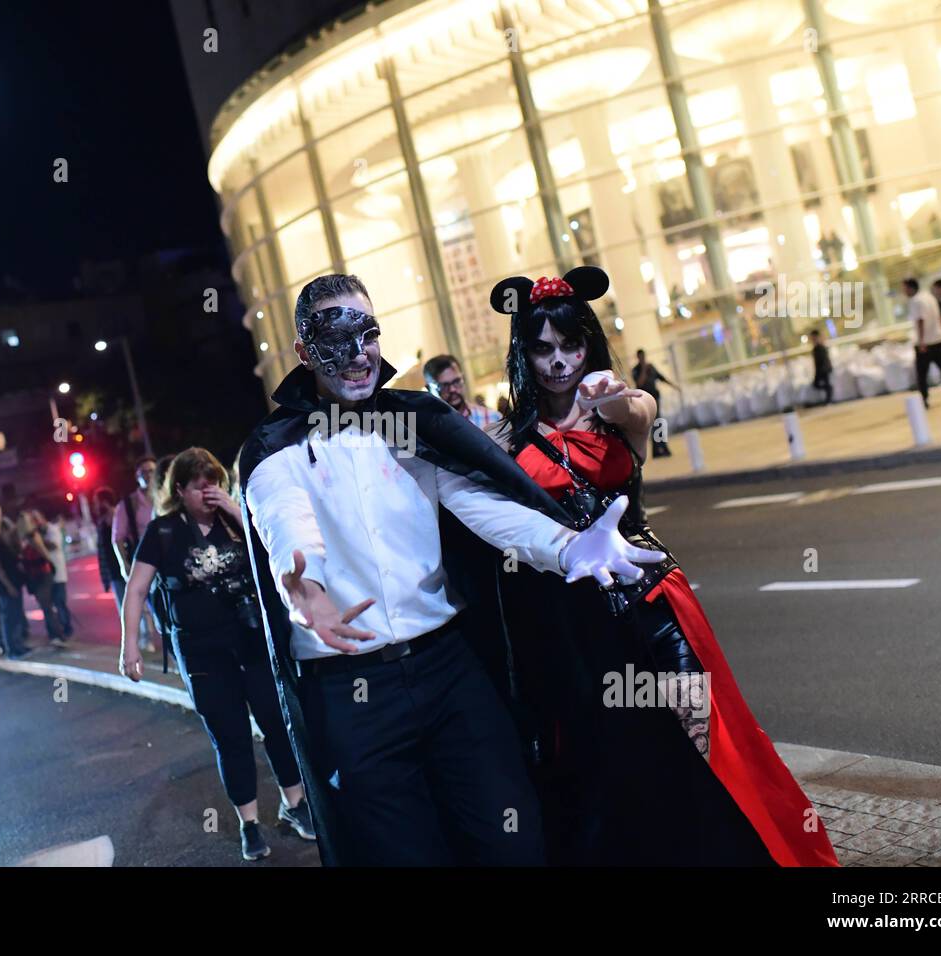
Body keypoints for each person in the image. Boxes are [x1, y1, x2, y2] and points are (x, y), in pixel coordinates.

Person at [239, 273, 667, 867]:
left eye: (368, 334)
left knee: (512, 839)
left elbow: (486, 506)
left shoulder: (417, 423)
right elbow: (284, 523)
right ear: (305, 352)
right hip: (351, 689)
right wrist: (301, 586)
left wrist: (569, 547)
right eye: (336, 340)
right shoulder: (274, 447)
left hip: (448, 670)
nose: (359, 356)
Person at [486, 265, 839, 867]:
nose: (558, 362)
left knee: (702, 735)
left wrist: (614, 397)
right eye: (541, 348)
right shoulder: (505, 440)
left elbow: (638, 413)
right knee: (612, 755)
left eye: (570, 345)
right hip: (572, 622)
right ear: (523, 351)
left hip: (652, 603)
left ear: (589, 344)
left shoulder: (622, 407)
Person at [120, 448, 313, 861]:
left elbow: (271, 553)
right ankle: (249, 823)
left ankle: (294, 804)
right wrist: (129, 646)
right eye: (199, 485)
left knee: (277, 724)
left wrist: (234, 508)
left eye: (216, 482)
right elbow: (135, 588)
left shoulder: (235, 520)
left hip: (251, 643)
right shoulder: (164, 531)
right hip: (202, 653)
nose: (209, 491)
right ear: (180, 490)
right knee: (231, 739)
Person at [113, 456, 159, 652]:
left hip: (170, 557)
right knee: (152, 604)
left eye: (152, 471)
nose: (149, 476)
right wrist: (125, 565)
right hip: (146, 561)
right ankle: (152, 636)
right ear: (137, 477)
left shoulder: (165, 495)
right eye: (144, 472)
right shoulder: (128, 505)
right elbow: (117, 537)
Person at [0, 493, 32, 658]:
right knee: (10, 617)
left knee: (15, 615)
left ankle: (18, 645)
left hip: (12, 580)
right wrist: (8, 585)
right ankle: (13, 649)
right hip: (7, 583)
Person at [904, 277, 941, 407]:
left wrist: (921, 341)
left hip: (926, 342)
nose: (903, 291)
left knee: (921, 373)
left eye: (904, 288)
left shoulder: (916, 301)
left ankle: (923, 400)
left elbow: (920, 320)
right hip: (938, 338)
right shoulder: (930, 297)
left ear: (911, 288)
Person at [17, 509, 68, 648]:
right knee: (46, 607)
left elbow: (44, 553)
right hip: (37, 574)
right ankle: (55, 634)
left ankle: (56, 634)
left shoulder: (31, 536)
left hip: (41, 574)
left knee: (46, 606)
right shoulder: (27, 537)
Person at [422, 354, 501, 429]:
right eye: (444, 386)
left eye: (456, 381)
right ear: (429, 388)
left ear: (463, 378)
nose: (452, 389)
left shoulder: (492, 418)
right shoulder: (421, 429)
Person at [631, 348, 679, 458]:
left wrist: (674, 386)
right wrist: (643, 368)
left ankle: (660, 449)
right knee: (655, 424)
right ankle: (659, 449)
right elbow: (639, 383)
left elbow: (661, 377)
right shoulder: (636, 370)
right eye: (641, 357)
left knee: (659, 423)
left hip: (655, 398)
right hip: (646, 401)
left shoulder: (651, 367)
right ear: (638, 357)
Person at [809, 329, 833, 406]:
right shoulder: (817, 347)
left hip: (823, 369)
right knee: (817, 384)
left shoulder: (820, 347)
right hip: (822, 369)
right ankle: (827, 400)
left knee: (824, 384)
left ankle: (828, 401)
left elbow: (823, 360)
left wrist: (821, 370)